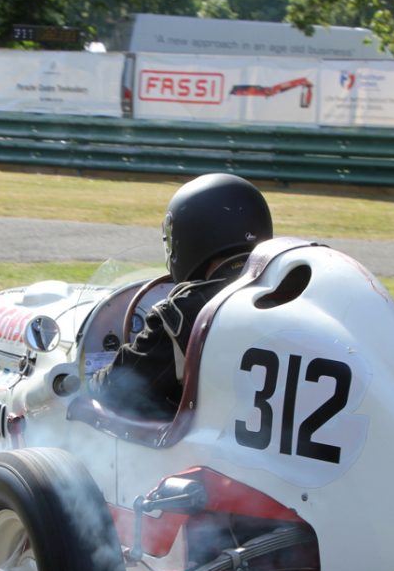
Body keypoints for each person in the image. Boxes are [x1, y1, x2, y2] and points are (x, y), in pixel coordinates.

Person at [91, 173, 272, 419]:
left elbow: (116, 391)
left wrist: (85, 382)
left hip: (214, 452)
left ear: (190, 238)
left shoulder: (187, 311)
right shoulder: (288, 290)